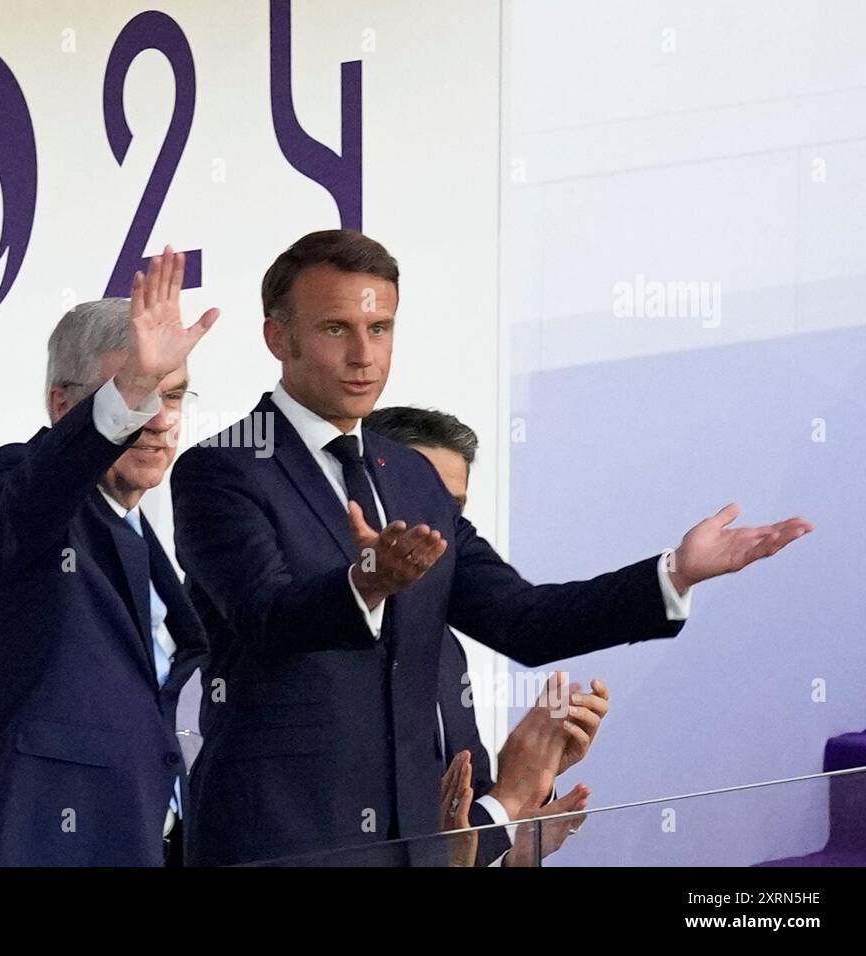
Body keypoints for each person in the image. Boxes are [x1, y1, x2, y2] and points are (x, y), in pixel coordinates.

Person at [170, 228, 813, 866]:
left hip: (418, 843)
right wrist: (365, 583)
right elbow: (267, 615)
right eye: (336, 329)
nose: (364, 355)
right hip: (281, 841)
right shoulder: (222, 467)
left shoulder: (414, 476)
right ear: (277, 337)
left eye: (381, 328)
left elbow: (523, 620)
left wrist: (675, 573)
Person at [0, 248, 218, 866]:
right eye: (135, 395)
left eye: (172, 395)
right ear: (65, 407)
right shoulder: (18, 484)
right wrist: (129, 393)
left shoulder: (145, 535)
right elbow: (41, 490)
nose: (157, 419)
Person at [368, 405, 604, 866]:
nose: (436, 533)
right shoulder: (317, 647)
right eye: (420, 504)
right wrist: (509, 803)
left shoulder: (442, 645)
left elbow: (466, 837)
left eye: (451, 512)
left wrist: (534, 788)